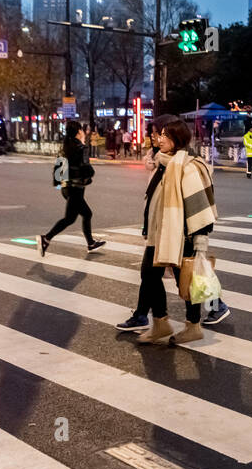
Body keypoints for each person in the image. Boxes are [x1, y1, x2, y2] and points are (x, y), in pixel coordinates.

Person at [120, 117, 225, 344]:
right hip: (161, 234)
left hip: (183, 235)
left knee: (186, 282)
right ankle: (160, 322)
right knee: (149, 275)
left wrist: (200, 242)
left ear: (177, 138)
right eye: (159, 134)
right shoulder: (164, 163)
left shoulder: (188, 167)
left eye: (165, 135)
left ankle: (193, 325)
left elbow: (200, 206)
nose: (159, 139)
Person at [39, 121, 106, 257]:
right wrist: (90, 175)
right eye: (82, 130)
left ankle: (91, 243)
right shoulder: (82, 148)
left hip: (66, 188)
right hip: (77, 189)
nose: (83, 133)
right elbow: (87, 169)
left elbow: (58, 172)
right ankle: (45, 238)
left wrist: (62, 183)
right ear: (78, 132)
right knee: (69, 219)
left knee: (86, 214)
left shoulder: (64, 147)